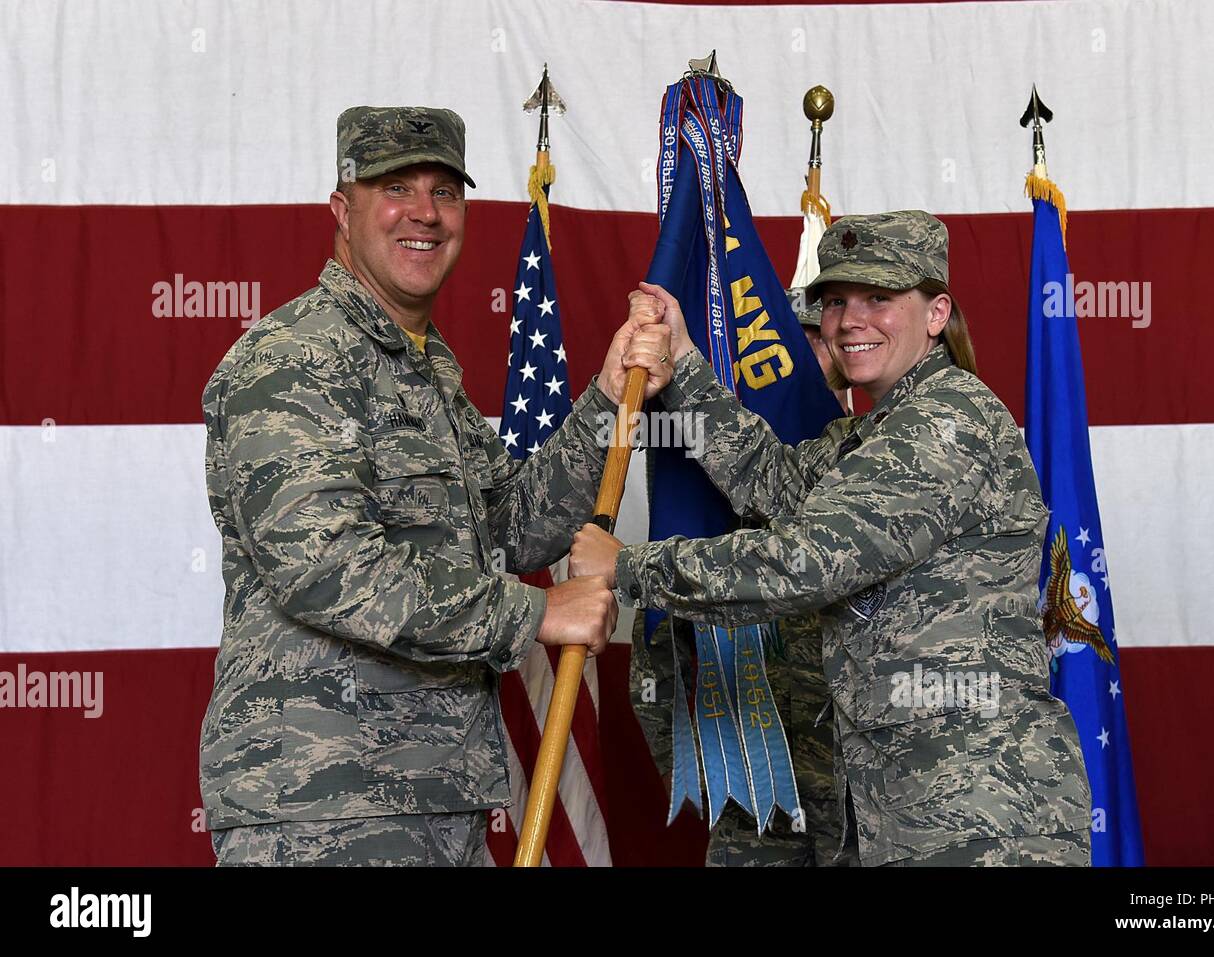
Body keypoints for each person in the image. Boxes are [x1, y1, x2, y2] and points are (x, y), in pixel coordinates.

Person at [199, 105, 672, 866]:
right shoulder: (292, 361)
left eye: (445, 191)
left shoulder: (426, 367)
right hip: (324, 808)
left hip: (436, 799)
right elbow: (330, 570)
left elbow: (513, 525)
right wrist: (536, 610)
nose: (424, 211)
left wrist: (608, 399)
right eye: (395, 187)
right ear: (341, 209)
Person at [573, 211, 1093, 866]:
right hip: (903, 800)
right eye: (837, 300)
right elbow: (774, 482)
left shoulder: (946, 420)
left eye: (880, 299)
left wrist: (629, 567)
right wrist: (683, 359)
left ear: (936, 314)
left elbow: (805, 561)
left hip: (980, 808)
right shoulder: (871, 434)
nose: (851, 320)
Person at [627, 298, 849, 867]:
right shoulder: (713, 506)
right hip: (755, 806)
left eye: (815, 344)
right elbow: (660, 658)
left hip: (868, 808)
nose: (805, 360)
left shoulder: (875, 460)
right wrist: (713, 772)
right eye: (793, 345)